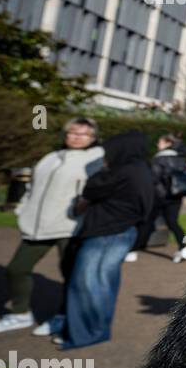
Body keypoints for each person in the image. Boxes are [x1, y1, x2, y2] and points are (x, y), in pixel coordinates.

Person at [0, 118, 104, 334]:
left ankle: (64, 317)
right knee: (17, 269)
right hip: (36, 225)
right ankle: (20, 314)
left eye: (83, 134)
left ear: (93, 137)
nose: (77, 137)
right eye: (72, 133)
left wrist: (82, 209)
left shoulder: (97, 158)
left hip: (69, 226)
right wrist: (22, 208)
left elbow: (100, 188)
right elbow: (32, 186)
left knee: (71, 276)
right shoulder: (51, 157)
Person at [53, 131, 154, 350]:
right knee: (103, 285)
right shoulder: (141, 170)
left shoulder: (122, 171)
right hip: (121, 232)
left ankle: (86, 333)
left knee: (89, 285)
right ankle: (94, 330)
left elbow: (91, 189)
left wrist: (101, 173)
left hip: (106, 234)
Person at [129, 134, 186, 263]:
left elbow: (153, 179)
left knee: (146, 221)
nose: (158, 145)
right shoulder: (181, 158)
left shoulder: (158, 159)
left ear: (168, 143)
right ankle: (184, 248)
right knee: (172, 222)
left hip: (159, 197)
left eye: (160, 142)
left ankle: (133, 250)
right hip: (176, 196)